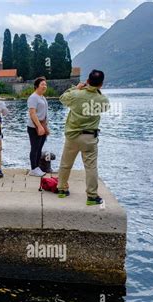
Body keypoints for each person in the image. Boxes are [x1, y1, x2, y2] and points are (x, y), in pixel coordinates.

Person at [57, 69, 110, 205]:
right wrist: (96, 91)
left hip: (72, 136)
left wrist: (77, 88)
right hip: (89, 138)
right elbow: (106, 108)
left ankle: (62, 190)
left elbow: (62, 98)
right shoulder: (102, 99)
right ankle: (92, 196)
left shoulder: (76, 95)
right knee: (91, 167)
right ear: (101, 85)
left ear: (87, 81)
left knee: (66, 164)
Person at [27, 77, 50, 177]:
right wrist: (39, 126)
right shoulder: (33, 97)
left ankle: (37, 167)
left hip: (42, 125)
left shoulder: (42, 97)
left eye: (45, 84)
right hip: (34, 127)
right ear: (37, 86)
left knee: (39, 148)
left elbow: (44, 114)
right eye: (42, 84)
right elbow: (32, 113)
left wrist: (46, 127)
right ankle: (33, 169)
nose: (44, 86)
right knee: (35, 148)